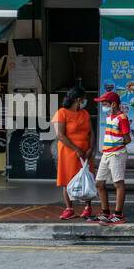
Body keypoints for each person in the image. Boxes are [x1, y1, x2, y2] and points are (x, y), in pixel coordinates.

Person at [52, 87, 94, 220]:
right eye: (84, 98)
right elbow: (60, 135)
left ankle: (88, 207)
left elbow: (91, 133)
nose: (85, 101)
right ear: (78, 99)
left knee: (86, 177)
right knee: (67, 179)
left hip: (85, 152)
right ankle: (69, 208)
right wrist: (77, 149)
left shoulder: (85, 113)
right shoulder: (62, 112)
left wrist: (90, 149)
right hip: (68, 151)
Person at [92, 90, 132, 224]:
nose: (103, 106)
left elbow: (128, 139)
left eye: (105, 103)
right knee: (99, 183)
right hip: (106, 153)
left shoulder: (122, 118)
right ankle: (105, 212)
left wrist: (117, 144)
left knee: (118, 183)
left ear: (113, 104)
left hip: (117, 154)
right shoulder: (109, 117)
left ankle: (118, 214)